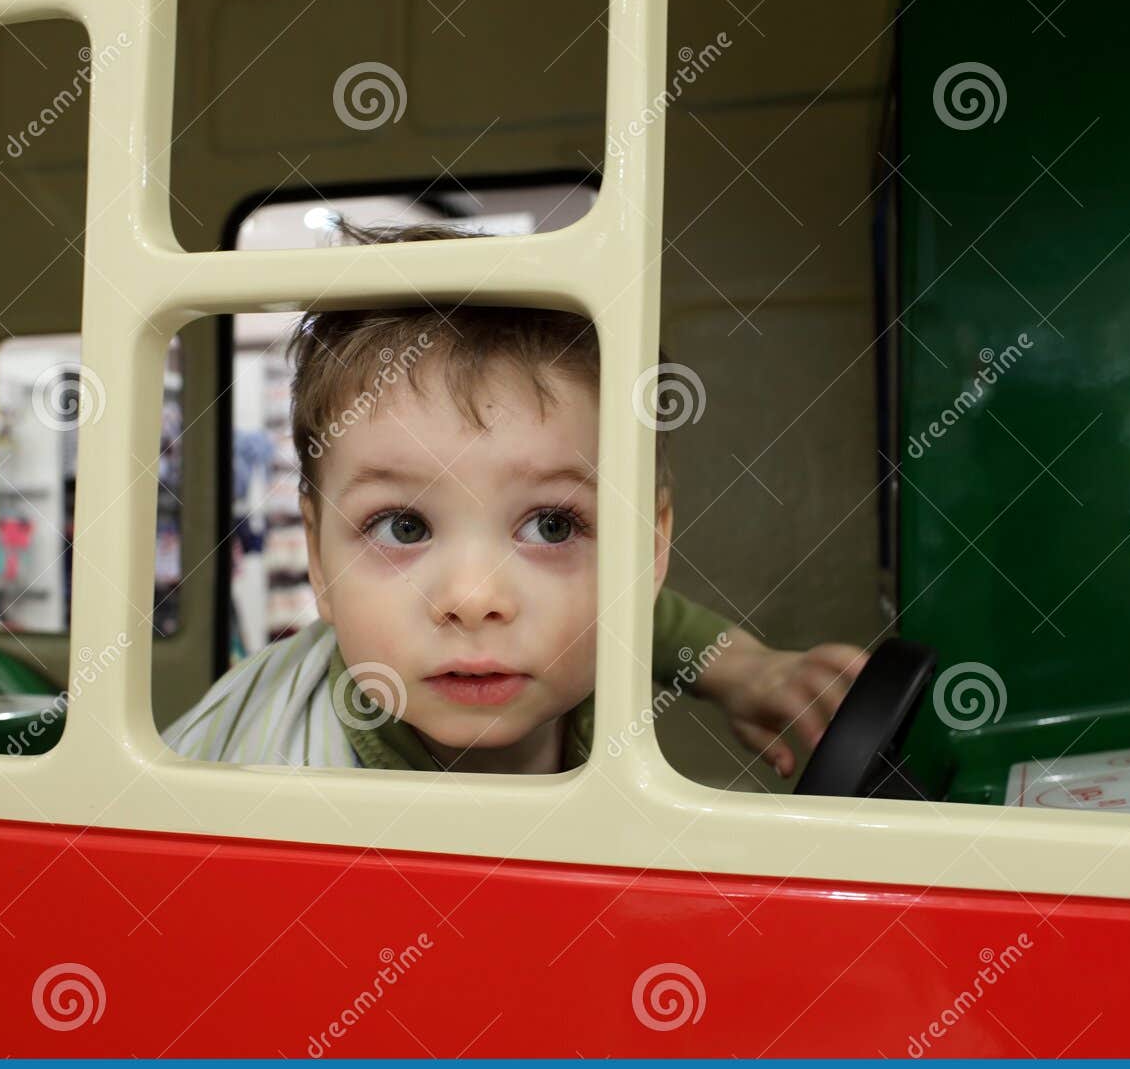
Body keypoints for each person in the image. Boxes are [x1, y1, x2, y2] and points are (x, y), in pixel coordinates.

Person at [163, 222, 867, 777]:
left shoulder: (587, 620)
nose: (473, 597)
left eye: (553, 525)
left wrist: (740, 667)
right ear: (318, 559)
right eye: (404, 526)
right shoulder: (271, 783)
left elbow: (647, 616)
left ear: (647, 549)